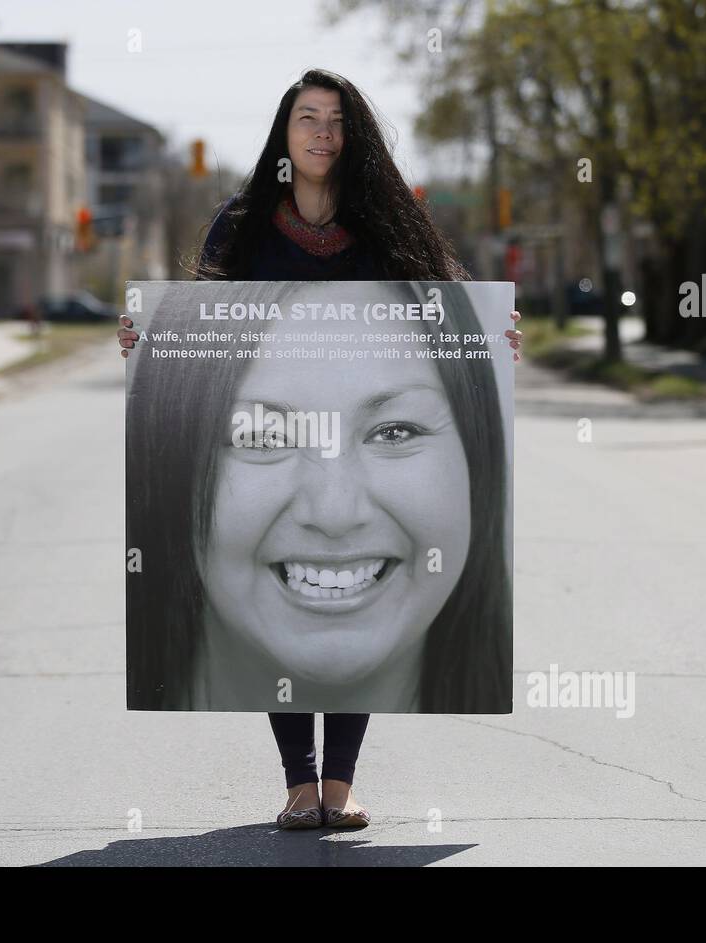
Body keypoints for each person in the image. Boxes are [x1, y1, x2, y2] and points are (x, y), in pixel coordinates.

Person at [118, 69, 524, 831]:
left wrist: (494, 339)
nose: (321, 134)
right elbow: (202, 330)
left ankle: (340, 784)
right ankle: (298, 783)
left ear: (353, 136)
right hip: (277, 433)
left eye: (336, 122)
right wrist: (150, 340)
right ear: (285, 132)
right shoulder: (241, 226)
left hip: (351, 431)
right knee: (296, 592)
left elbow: (448, 311)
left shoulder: (387, 226)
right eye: (307, 119)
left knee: (350, 591)